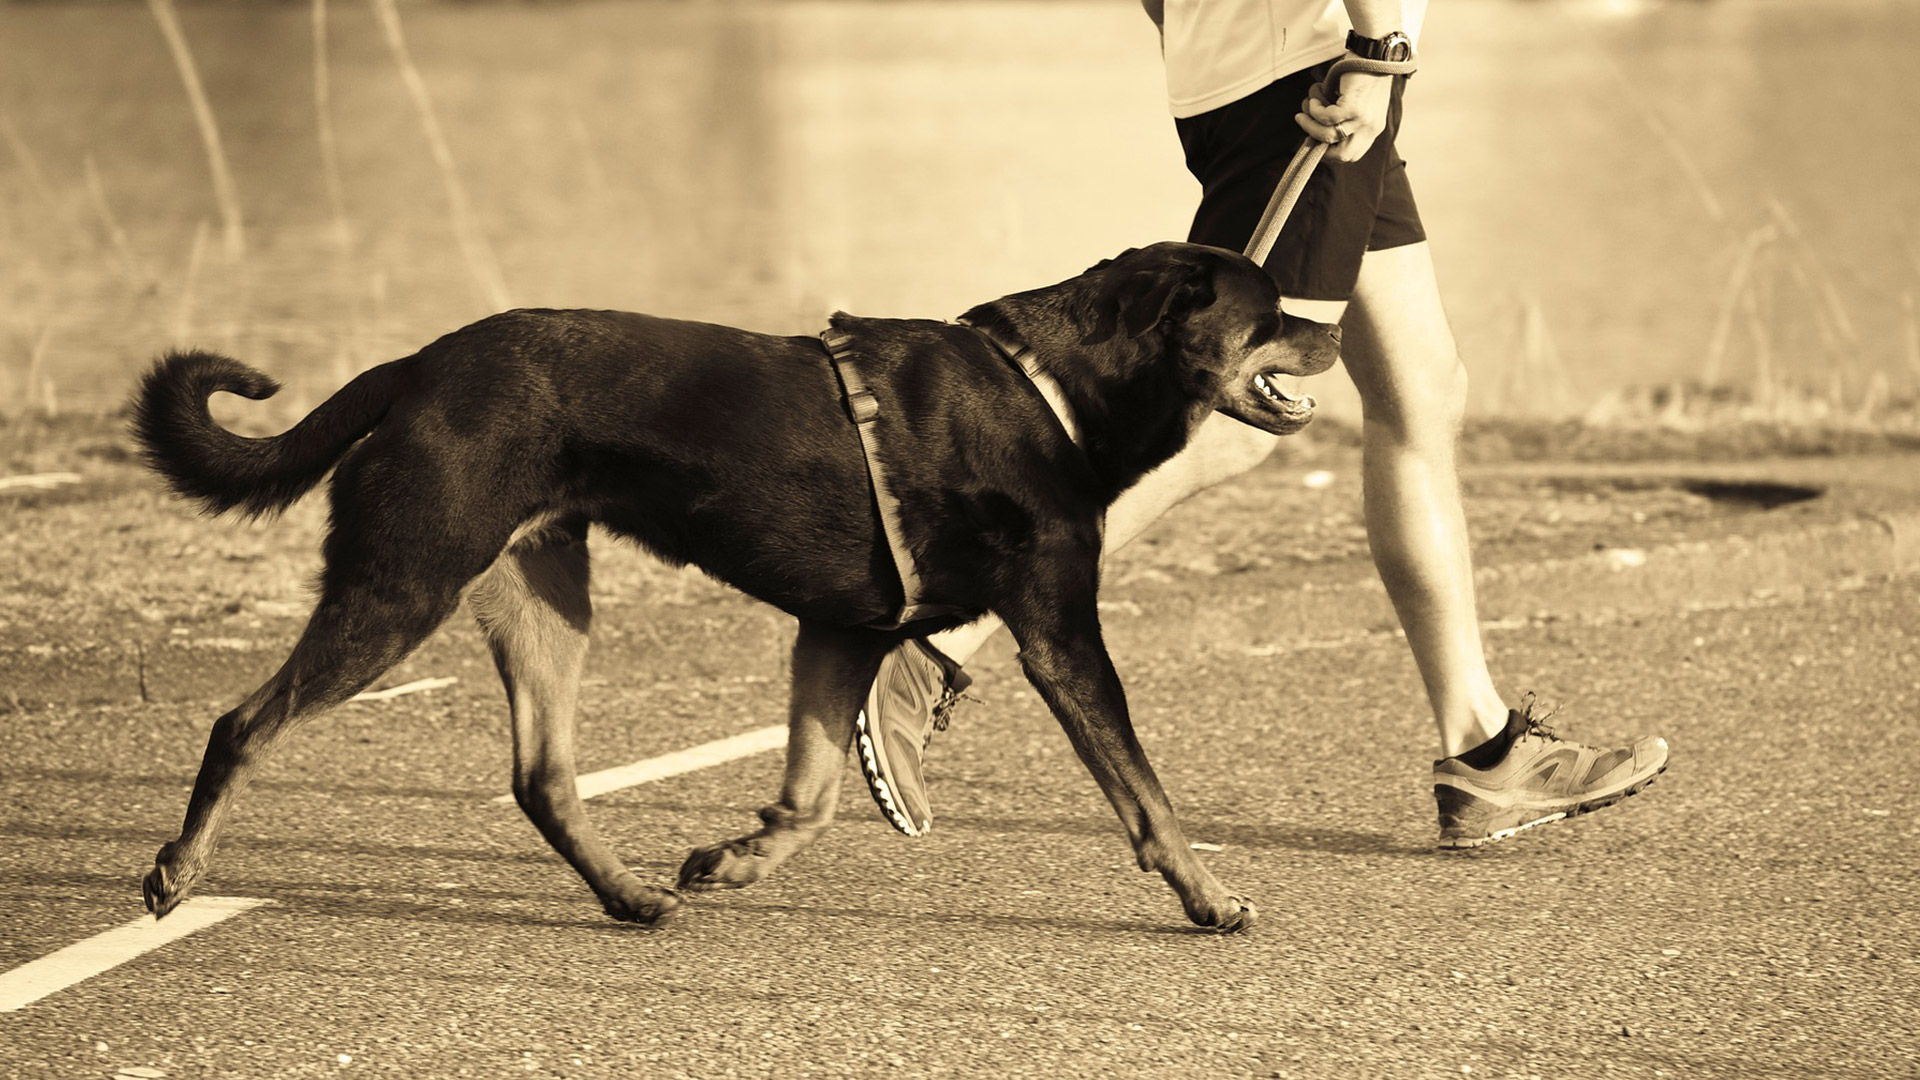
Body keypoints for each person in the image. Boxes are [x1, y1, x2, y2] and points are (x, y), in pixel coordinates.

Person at [856, 0, 1668, 848]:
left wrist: (1224, 38)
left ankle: (1486, 749)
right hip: (1323, 69)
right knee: (1229, 415)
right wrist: (1377, 45)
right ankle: (935, 639)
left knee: (1424, 390)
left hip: (1287, 70)